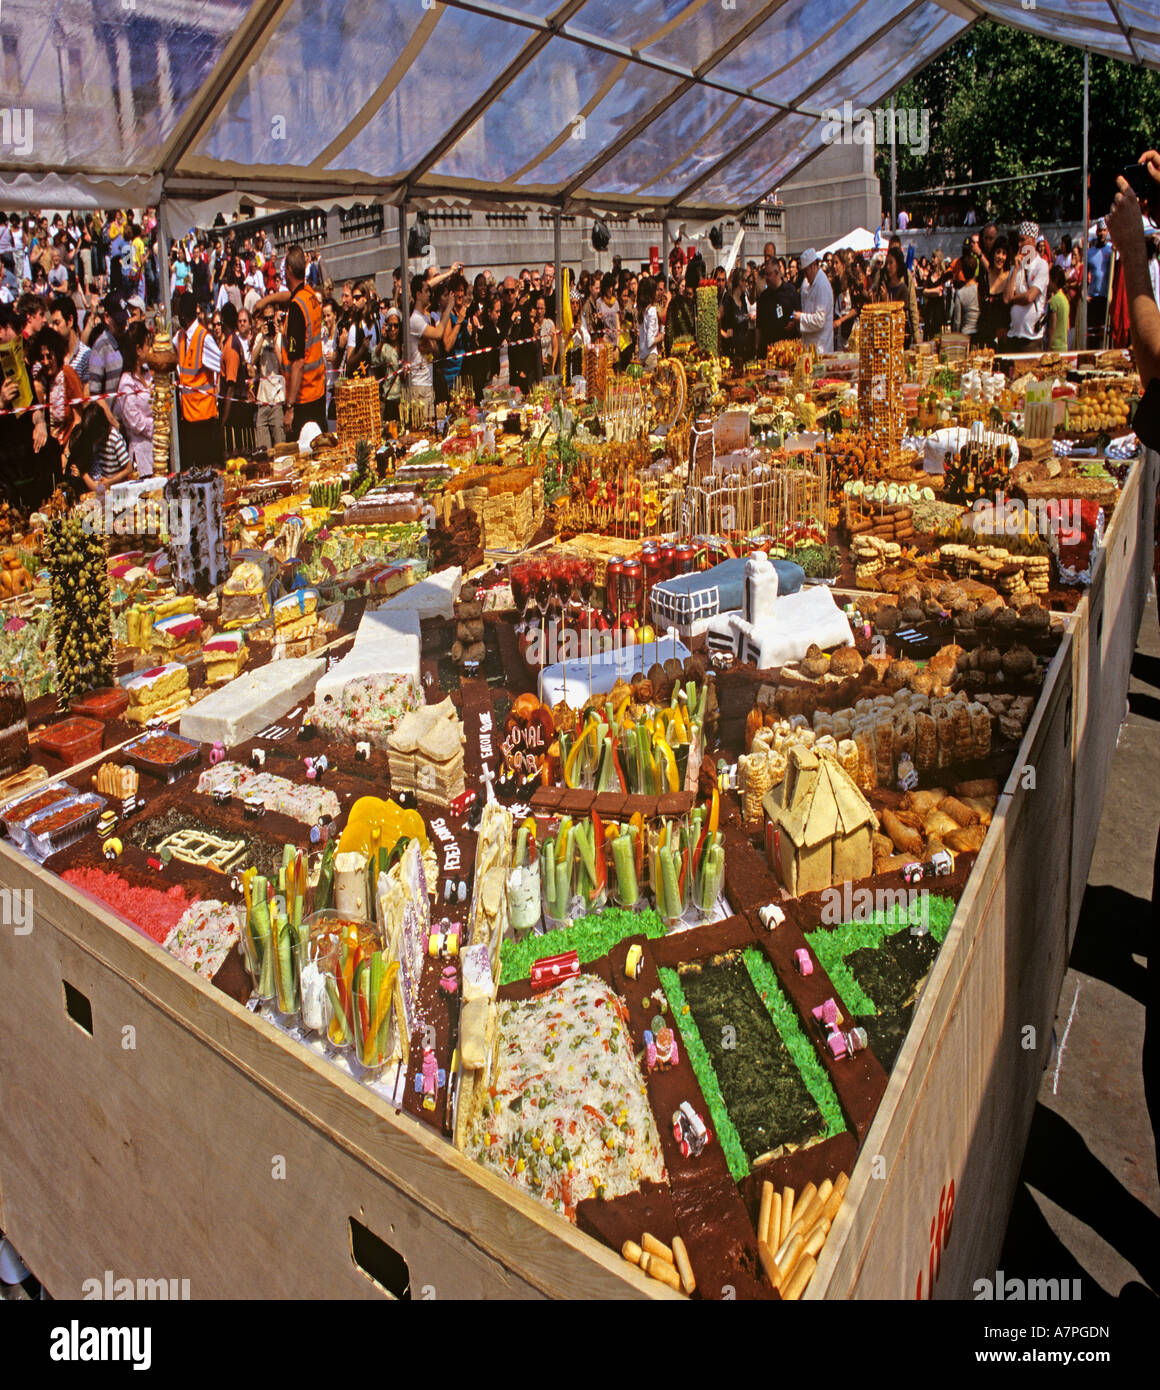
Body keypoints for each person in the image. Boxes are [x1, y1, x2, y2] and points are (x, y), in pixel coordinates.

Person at [173, 289, 222, 471]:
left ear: (183, 315)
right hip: (188, 417)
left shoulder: (204, 338)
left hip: (204, 417)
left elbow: (221, 366)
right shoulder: (179, 338)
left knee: (206, 471)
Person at [67, 402, 133, 495]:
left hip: (118, 488)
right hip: (105, 488)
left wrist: (110, 481)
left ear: (101, 430)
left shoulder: (114, 439)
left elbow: (129, 468)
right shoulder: (96, 442)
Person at [1004, 222, 1050, 355]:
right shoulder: (1016, 267)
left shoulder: (1042, 265)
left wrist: (1013, 299)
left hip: (1032, 338)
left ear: (1033, 241)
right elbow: (1006, 298)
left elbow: (1030, 296)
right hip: (1014, 335)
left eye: (1023, 240)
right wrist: (1016, 269)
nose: (1020, 245)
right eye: (1019, 240)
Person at [115, 320, 154, 478]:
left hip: (157, 448)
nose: (149, 349)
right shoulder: (126, 382)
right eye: (147, 345)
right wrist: (156, 427)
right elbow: (134, 421)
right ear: (138, 349)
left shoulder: (148, 374)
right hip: (141, 454)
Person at [251, 307, 286, 450]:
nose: (269, 321)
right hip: (263, 397)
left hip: (277, 397)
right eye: (266, 319)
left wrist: (274, 340)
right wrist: (263, 338)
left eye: (271, 318)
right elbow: (252, 359)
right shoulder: (260, 337)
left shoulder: (281, 337)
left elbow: (283, 364)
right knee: (262, 448)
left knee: (280, 447)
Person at [793, 249, 834, 352]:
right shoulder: (807, 284)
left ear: (813, 266)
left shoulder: (822, 285)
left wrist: (801, 317)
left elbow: (820, 320)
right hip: (811, 345)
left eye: (806, 272)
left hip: (821, 346)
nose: (805, 276)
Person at [880, 245, 920, 347]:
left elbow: (899, 314)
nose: (888, 267)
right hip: (885, 337)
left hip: (899, 337)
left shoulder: (903, 289)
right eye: (887, 263)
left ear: (898, 264)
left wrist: (886, 301)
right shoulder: (884, 286)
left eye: (891, 263)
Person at [976, 236, 1013, 350]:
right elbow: (981, 306)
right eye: (998, 252)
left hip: (1004, 339)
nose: (1000, 257)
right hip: (985, 336)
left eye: (1004, 253)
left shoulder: (1010, 278)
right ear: (993, 254)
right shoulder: (984, 279)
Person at [756, 257, 799, 351]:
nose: (766, 278)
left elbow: (799, 313)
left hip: (788, 347)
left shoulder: (790, 291)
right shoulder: (763, 297)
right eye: (765, 275)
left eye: (769, 274)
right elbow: (759, 326)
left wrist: (793, 322)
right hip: (769, 348)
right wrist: (757, 347)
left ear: (776, 273)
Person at [718, 267, 752, 367]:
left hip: (744, 351)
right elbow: (716, 318)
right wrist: (724, 334)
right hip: (732, 353)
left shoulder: (743, 300)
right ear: (739, 282)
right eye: (745, 281)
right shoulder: (729, 301)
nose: (747, 284)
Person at [1087, 219, 1114, 344]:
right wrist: (1084, 292)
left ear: (1107, 232)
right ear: (1096, 232)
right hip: (1093, 296)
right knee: (1093, 333)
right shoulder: (1090, 253)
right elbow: (1083, 274)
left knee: (1105, 332)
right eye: (1100, 231)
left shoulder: (1111, 251)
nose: (1102, 233)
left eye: (1104, 230)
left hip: (1106, 296)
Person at [377, 309, 404, 423]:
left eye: (396, 326)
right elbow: (376, 359)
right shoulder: (383, 347)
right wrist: (382, 339)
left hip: (403, 398)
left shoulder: (404, 345)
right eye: (390, 326)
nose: (393, 330)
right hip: (389, 398)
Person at [951, 253, 981, 342]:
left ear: (963, 271)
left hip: (966, 334)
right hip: (979, 332)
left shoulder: (960, 293)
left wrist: (955, 337)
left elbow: (957, 321)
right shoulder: (980, 288)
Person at [1044, 264, 1070, 353]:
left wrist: (1047, 349)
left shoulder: (1054, 301)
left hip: (1054, 347)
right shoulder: (1065, 300)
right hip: (1064, 346)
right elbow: (1067, 327)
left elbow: (1052, 328)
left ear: (1054, 280)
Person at [637, 278, 661, 370]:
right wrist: (662, 336)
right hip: (650, 356)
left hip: (642, 355)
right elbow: (650, 341)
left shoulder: (641, 310)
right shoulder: (651, 311)